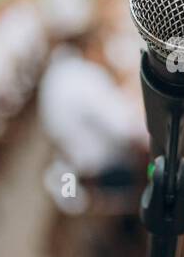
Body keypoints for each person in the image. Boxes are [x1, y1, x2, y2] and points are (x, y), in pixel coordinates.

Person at [38, 34, 143, 188]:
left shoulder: (62, 68)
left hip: (73, 159)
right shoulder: (87, 79)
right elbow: (127, 129)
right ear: (93, 49)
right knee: (156, 170)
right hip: (99, 170)